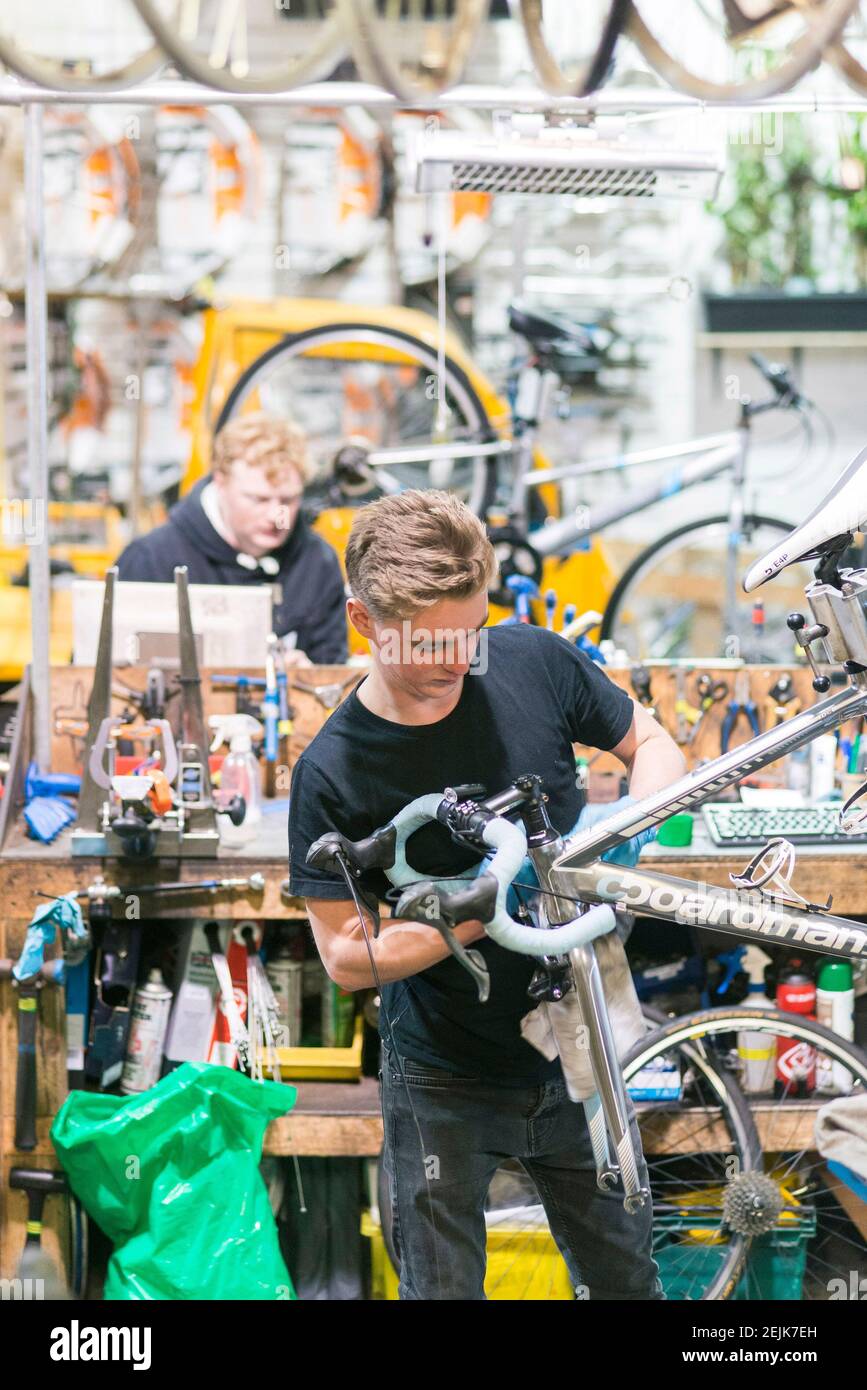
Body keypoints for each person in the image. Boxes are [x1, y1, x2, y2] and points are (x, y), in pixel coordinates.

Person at [288, 490, 687, 1300]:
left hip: (579, 1048)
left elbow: (649, 739)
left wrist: (631, 822)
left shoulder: (532, 661)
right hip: (444, 1074)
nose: (456, 660)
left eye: (469, 633)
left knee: (627, 1286)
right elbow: (345, 958)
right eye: (429, 641)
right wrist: (481, 911)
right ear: (363, 621)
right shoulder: (331, 772)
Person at [115, 412, 348, 665]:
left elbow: (332, 674)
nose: (275, 515)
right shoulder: (151, 561)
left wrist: (307, 678)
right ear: (221, 482)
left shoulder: (317, 563)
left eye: (288, 500)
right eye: (258, 499)